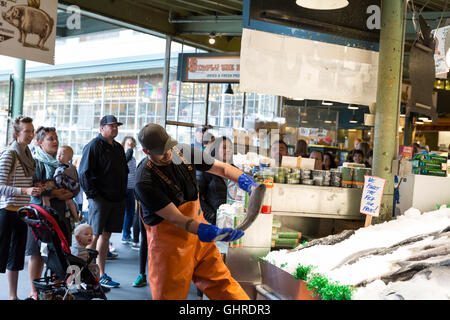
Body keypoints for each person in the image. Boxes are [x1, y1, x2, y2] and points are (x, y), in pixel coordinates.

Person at [134, 123, 251, 300]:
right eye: (160, 151)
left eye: (168, 147)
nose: (167, 154)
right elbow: (176, 219)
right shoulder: (145, 181)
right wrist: (209, 231)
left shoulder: (182, 151)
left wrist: (242, 178)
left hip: (199, 240)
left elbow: (221, 168)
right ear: (146, 152)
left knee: (224, 286)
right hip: (169, 249)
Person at [26, 126, 78, 300]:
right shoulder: (36, 162)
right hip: (39, 214)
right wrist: (56, 191)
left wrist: (57, 190)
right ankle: (35, 292)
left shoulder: (62, 164)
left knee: (60, 252)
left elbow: (72, 190)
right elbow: (37, 188)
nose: (55, 141)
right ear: (40, 142)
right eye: (50, 139)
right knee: (37, 254)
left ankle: (56, 291)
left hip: (60, 214)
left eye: (56, 138)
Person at [78, 115, 128, 289]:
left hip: (116, 199)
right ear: (102, 128)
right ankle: (86, 276)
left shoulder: (118, 148)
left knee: (106, 236)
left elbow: (124, 171)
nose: (114, 129)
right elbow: (83, 173)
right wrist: (93, 196)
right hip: (100, 199)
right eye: (111, 126)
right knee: (94, 236)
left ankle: (101, 273)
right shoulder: (93, 146)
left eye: (116, 126)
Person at [0, 116, 43, 300]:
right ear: (17, 133)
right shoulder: (10, 154)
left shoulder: (28, 155)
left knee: (16, 258)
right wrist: (25, 189)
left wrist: (37, 186)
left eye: (32, 131)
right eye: (27, 131)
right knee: (2, 256)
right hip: (6, 211)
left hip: (20, 211)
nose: (30, 135)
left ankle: (12, 297)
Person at [41, 145, 79, 227]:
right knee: (70, 201)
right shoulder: (72, 167)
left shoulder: (60, 168)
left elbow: (57, 180)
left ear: (69, 157)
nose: (58, 155)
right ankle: (76, 217)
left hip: (61, 188)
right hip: (70, 188)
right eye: (58, 153)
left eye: (61, 154)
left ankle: (47, 212)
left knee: (46, 197)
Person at [121, 136, 137, 245]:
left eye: (132, 144)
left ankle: (126, 235)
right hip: (123, 188)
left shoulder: (133, 158)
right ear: (124, 145)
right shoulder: (122, 156)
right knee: (125, 212)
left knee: (130, 213)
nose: (130, 146)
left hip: (131, 188)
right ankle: (125, 235)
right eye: (128, 144)